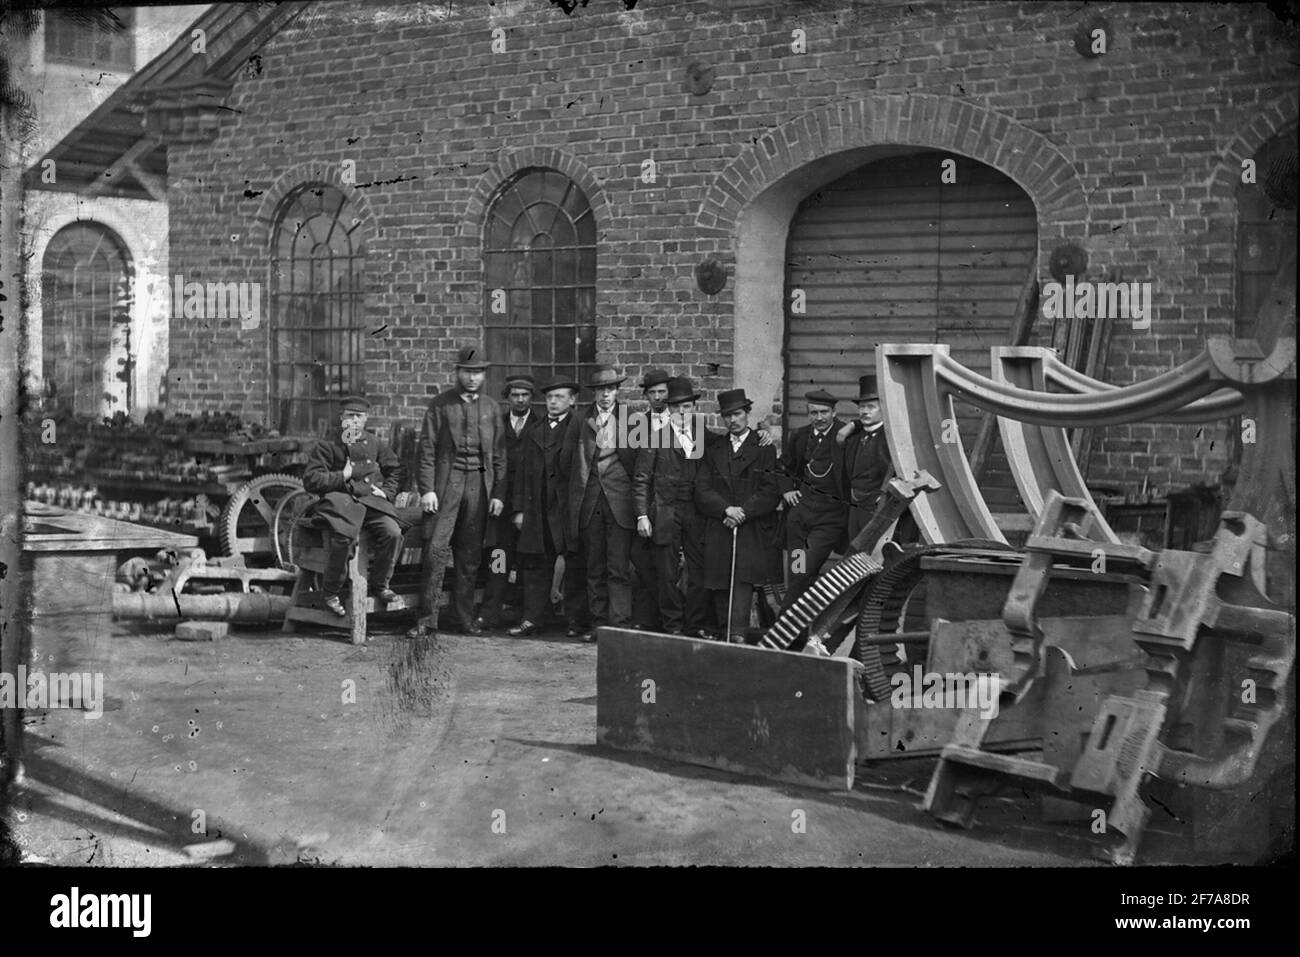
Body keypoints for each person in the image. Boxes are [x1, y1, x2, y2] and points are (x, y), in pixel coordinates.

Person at [406, 346, 506, 640]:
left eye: (478, 372)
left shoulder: (491, 408)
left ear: (484, 375)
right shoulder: (440, 405)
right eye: (468, 372)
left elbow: (500, 456)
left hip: (479, 486)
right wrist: (426, 490)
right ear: (458, 372)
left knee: (470, 555)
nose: (473, 378)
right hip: (445, 486)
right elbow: (425, 451)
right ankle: (426, 619)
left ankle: (463, 618)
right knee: (435, 551)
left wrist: (498, 493)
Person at [301, 396, 404, 617]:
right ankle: (330, 592)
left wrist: (386, 492)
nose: (354, 421)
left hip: (368, 500)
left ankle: (380, 585)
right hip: (339, 500)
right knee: (345, 536)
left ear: (366, 419)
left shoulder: (374, 443)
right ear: (341, 418)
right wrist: (342, 475)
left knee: (392, 532)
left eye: (359, 416)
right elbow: (310, 480)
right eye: (350, 416)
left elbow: (394, 469)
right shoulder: (328, 444)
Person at [694, 388, 782, 643]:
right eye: (727, 416)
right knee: (720, 577)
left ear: (747, 414)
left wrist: (743, 512)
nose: (733, 420)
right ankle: (724, 633)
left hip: (751, 526)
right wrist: (725, 509)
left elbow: (770, 489)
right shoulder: (714, 449)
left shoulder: (764, 447)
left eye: (738, 414)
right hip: (721, 522)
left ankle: (739, 634)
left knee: (743, 580)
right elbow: (702, 487)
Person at [509, 376, 589, 637]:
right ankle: (533, 618)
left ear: (572, 400)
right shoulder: (535, 430)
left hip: (569, 508)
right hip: (538, 508)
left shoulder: (582, 426)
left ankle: (576, 621)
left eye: (560, 397)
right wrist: (520, 509)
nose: (553, 402)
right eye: (550, 397)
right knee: (536, 565)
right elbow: (521, 473)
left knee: (575, 564)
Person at [632, 376, 712, 635]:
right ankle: (673, 624)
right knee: (666, 573)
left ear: (694, 408)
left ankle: (696, 623)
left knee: (699, 571)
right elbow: (641, 479)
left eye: (686, 407)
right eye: (676, 407)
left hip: (696, 513)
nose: (681, 412)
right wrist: (642, 515)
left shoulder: (704, 437)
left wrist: (762, 435)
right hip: (665, 512)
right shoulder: (655, 437)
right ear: (669, 409)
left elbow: (732, 443)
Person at [567, 365, 638, 640]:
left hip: (620, 503)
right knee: (594, 566)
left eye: (610, 389)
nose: (605, 394)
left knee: (618, 567)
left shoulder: (632, 420)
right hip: (590, 502)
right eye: (600, 390)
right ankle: (597, 624)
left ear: (617, 390)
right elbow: (567, 462)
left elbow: (639, 464)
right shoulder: (580, 420)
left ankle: (619, 626)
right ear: (594, 393)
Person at [777, 388, 849, 612]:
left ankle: (782, 631)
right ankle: (799, 637)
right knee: (798, 572)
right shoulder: (799, 436)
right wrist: (787, 489)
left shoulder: (845, 435)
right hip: (799, 520)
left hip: (828, 520)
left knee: (805, 571)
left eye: (824, 412)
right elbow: (783, 468)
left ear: (834, 412)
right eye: (813, 413)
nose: (818, 418)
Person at [480, 373, 539, 627]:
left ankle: (524, 614)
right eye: (515, 395)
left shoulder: (540, 425)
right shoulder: (498, 425)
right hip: (501, 506)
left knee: (527, 562)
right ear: (507, 398)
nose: (520, 400)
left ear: (532, 398)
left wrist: (525, 508)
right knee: (498, 558)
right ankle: (490, 612)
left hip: (529, 507)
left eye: (525, 395)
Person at [629, 368, 671, 630]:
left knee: (667, 568)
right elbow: (631, 462)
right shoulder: (637, 424)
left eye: (662, 392)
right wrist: (640, 510)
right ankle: (646, 619)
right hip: (644, 504)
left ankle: (668, 621)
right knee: (640, 560)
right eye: (653, 393)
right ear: (646, 395)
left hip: (670, 507)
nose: (657, 397)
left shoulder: (681, 423)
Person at [836, 373, 893, 544]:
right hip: (855, 505)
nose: (865, 411)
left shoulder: (891, 438)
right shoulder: (853, 439)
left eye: (871, 407)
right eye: (861, 407)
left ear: (883, 408)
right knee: (855, 549)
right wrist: (854, 424)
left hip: (879, 506)